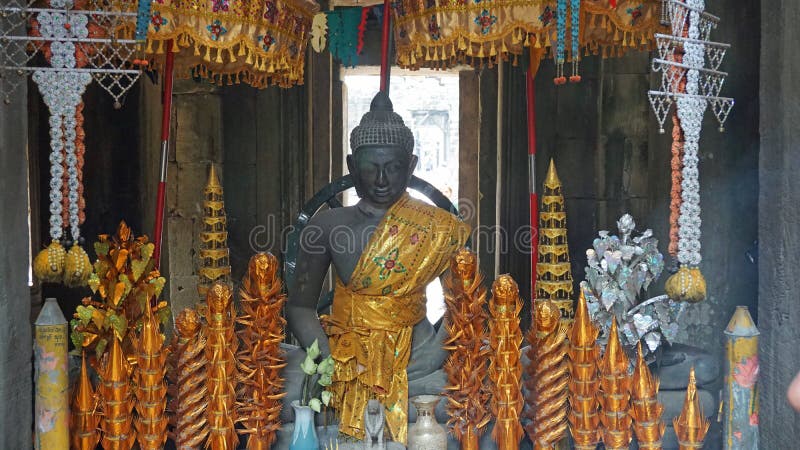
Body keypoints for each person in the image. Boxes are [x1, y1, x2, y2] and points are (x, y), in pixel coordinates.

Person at [286, 91, 469, 444]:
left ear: (412, 165)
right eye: (370, 168)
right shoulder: (327, 226)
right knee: (286, 391)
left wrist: (436, 352)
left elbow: (463, 311)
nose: (382, 179)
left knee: (469, 395)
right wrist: (327, 360)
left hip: (419, 359)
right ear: (351, 166)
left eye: (393, 167)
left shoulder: (438, 227)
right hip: (344, 353)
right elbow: (300, 305)